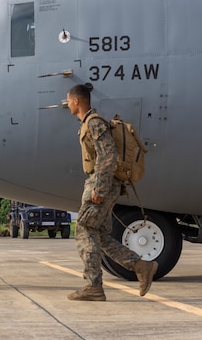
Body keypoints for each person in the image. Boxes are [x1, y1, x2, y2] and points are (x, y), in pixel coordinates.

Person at [66, 84, 157, 301]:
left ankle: (93, 286)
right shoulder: (89, 123)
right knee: (100, 235)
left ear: (76, 101)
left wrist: (100, 189)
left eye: (68, 101)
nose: (67, 104)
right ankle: (141, 266)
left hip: (101, 185)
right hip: (103, 184)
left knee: (85, 229)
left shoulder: (94, 123)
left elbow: (108, 156)